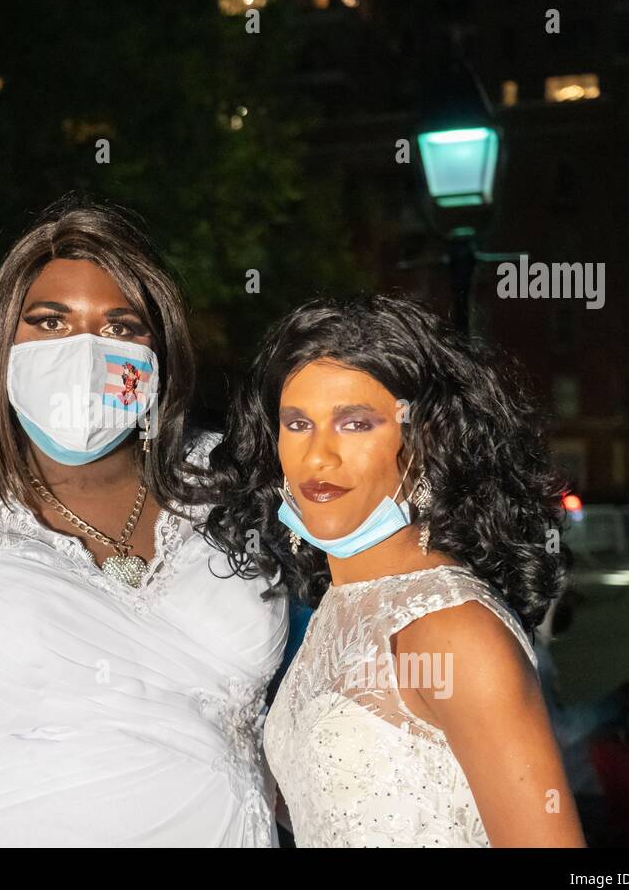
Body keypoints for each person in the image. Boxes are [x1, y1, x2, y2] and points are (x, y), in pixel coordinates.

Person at [0, 196, 288, 846]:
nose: (87, 350)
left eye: (122, 325)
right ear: (0, 344)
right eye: (50, 321)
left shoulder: (244, 486)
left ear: (162, 351)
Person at [202, 293, 586, 846]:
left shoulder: (454, 629)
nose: (319, 456)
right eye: (298, 423)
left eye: (356, 424)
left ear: (426, 443)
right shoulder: (340, 604)